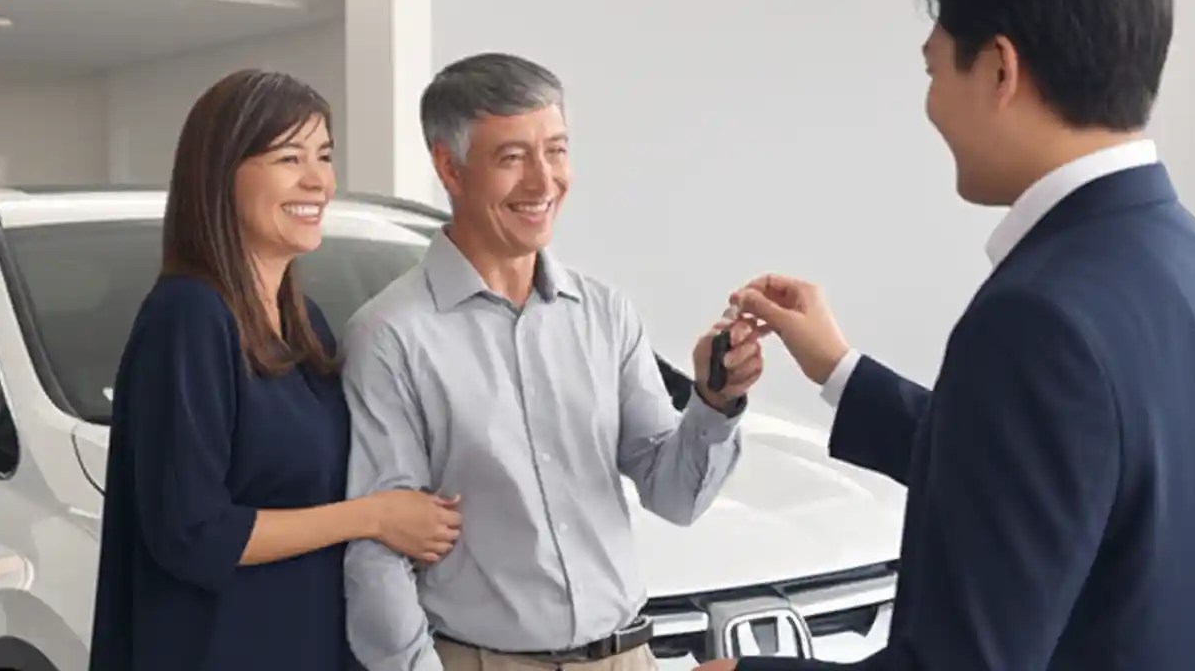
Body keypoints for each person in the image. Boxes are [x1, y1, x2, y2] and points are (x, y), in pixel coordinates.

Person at [698, 0, 1195, 670]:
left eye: (934, 72)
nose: (931, 105)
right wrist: (841, 370)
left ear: (1000, 70)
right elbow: (1045, 482)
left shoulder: (1035, 318)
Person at [341, 52, 766, 671]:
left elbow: (675, 497)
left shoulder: (605, 313)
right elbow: (378, 553)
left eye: (557, 151)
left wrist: (714, 403)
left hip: (631, 657)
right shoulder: (389, 338)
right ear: (449, 168)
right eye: (513, 157)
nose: (544, 183)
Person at [88, 69, 458, 671]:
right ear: (222, 176)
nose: (318, 180)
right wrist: (374, 516)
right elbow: (194, 533)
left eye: (325, 156)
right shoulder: (188, 317)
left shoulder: (302, 321)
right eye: (289, 158)